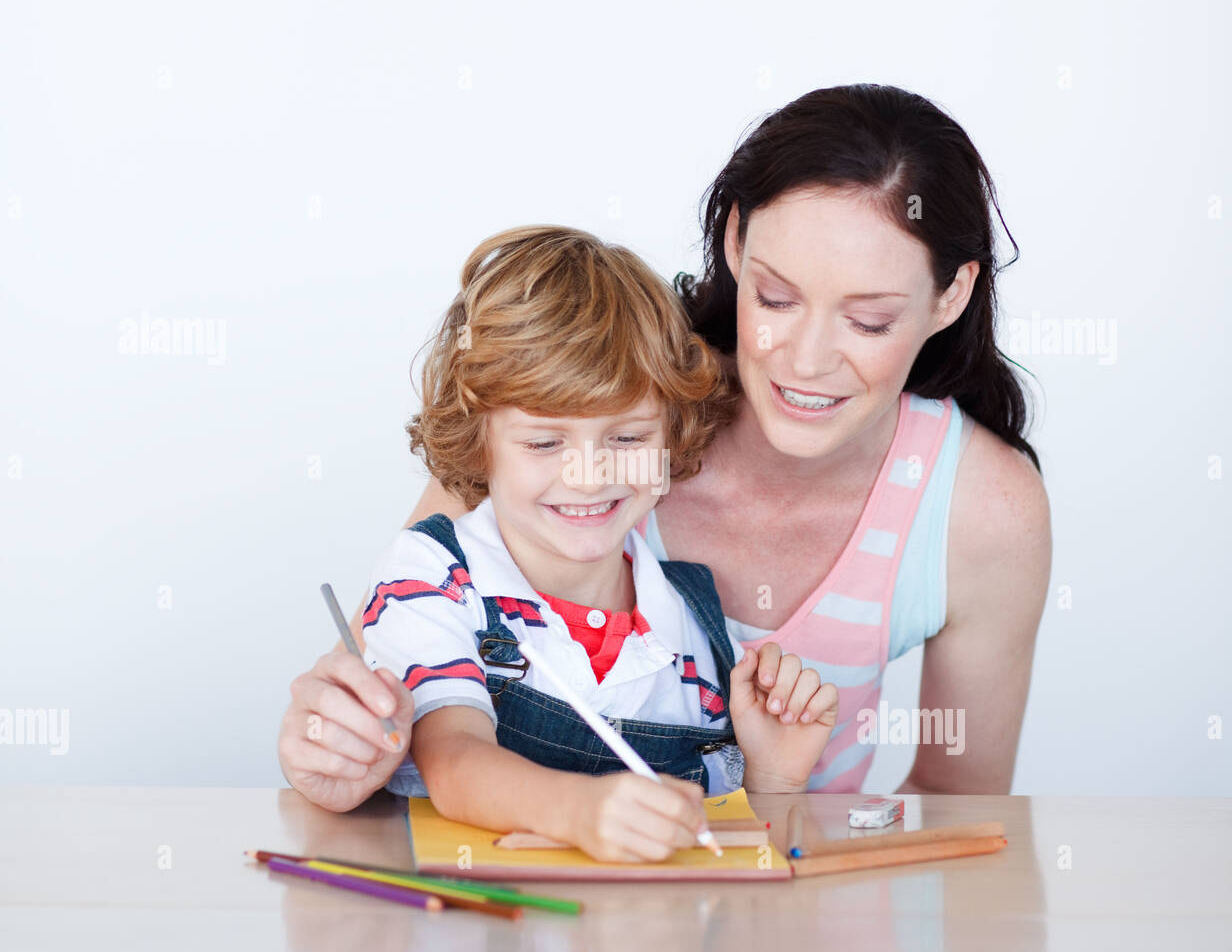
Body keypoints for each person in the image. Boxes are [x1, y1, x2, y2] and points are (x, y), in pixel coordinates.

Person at [279, 84, 1051, 798]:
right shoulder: (595, 397)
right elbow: (392, 686)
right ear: (736, 243)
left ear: (952, 294)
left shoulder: (983, 510)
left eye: (868, 320)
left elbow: (961, 817)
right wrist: (338, 736)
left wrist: (789, 843)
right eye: (776, 298)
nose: (808, 360)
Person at [280, 224, 839, 861]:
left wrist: (774, 779)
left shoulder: (695, 631)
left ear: (673, 435)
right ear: (479, 439)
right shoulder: (435, 577)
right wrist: (581, 811)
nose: (589, 475)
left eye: (626, 439)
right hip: (484, 942)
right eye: (545, 443)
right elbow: (456, 761)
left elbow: (727, 856)